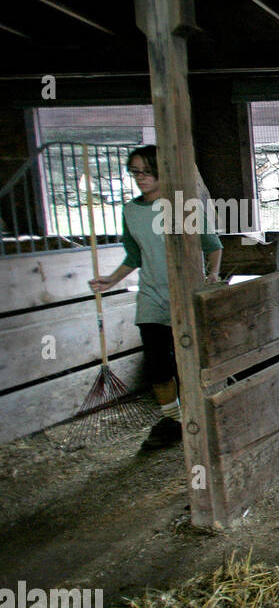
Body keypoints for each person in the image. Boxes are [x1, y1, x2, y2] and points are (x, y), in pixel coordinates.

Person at [88, 145, 223, 450]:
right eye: (135, 172)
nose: (141, 178)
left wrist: (213, 275)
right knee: (157, 364)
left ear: (162, 172)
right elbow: (135, 255)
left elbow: (212, 244)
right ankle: (173, 420)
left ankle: (194, 417)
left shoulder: (183, 206)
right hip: (151, 296)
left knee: (188, 362)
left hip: (186, 294)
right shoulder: (131, 211)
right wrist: (111, 279)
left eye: (147, 172)